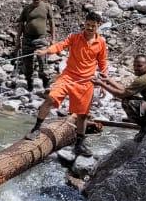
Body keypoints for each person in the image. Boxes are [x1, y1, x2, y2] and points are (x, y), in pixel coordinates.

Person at [24, 10, 109, 157]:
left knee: (82, 115)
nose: (89, 29)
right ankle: (36, 128)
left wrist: (103, 82)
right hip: (68, 77)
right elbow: (60, 45)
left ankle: (79, 145)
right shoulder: (75, 37)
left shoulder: (101, 42)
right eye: (87, 25)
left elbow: (102, 63)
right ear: (84, 24)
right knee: (50, 98)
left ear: (98, 26)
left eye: (92, 26)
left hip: (86, 82)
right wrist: (46, 51)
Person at [95, 54, 146, 139]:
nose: (136, 68)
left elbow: (122, 94)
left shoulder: (145, 79)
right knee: (130, 99)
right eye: (134, 65)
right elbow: (126, 90)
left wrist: (101, 84)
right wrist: (109, 80)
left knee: (128, 102)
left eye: (139, 66)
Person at [16, 0, 55, 92]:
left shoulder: (46, 7)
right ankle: (30, 84)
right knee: (28, 63)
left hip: (41, 39)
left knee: (42, 61)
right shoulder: (27, 8)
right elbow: (21, 25)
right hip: (27, 39)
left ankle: (46, 83)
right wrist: (17, 41)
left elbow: (52, 23)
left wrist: (53, 38)